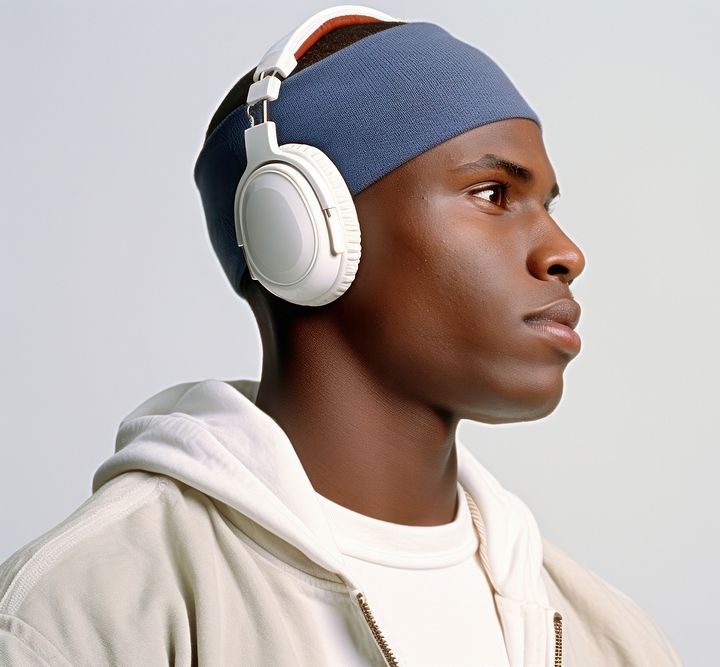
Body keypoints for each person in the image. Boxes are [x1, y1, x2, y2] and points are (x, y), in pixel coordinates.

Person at [0, 6, 683, 666]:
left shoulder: (609, 638)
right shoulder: (84, 613)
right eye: (492, 194)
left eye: (547, 205)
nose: (565, 251)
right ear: (305, 232)